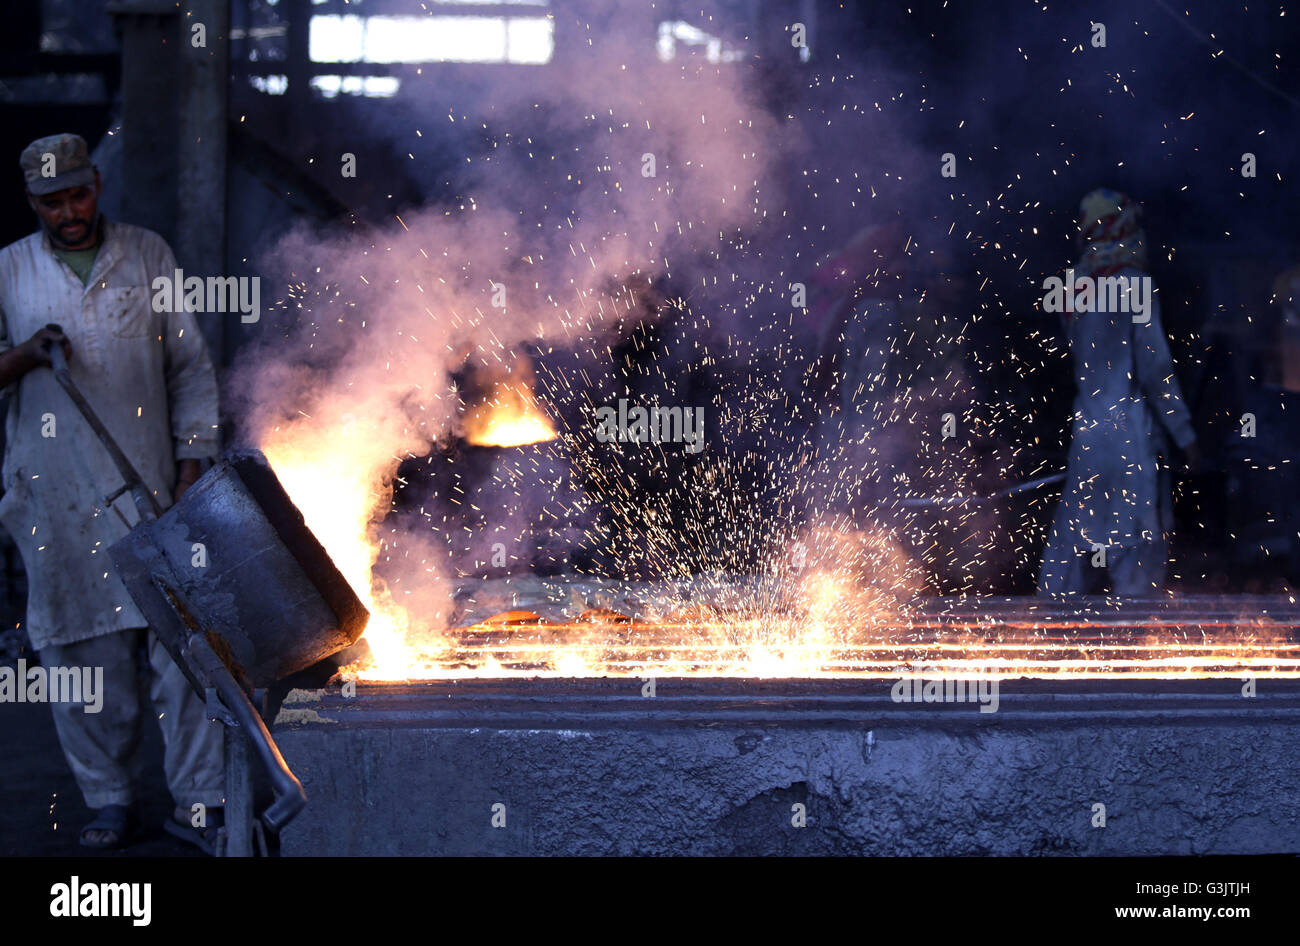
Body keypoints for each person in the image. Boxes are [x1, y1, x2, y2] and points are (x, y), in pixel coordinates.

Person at [0, 134, 224, 849]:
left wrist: (191, 468)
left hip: (150, 488)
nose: (70, 211)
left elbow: (188, 367)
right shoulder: (8, 270)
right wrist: (24, 356)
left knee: (183, 654)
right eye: (52, 201)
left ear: (97, 182)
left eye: (80, 193)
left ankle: (199, 801)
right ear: (32, 202)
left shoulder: (148, 254)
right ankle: (108, 800)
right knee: (81, 659)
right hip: (54, 497)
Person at [1037, 188, 1199, 595]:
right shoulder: (1135, 285)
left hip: (1088, 433)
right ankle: (1138, 638)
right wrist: (1187, 437)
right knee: (1137, 545)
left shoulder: (1071, 285)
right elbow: (1155, 369)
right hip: (1129, 433)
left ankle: (1046, 628)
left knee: (1074, 539)